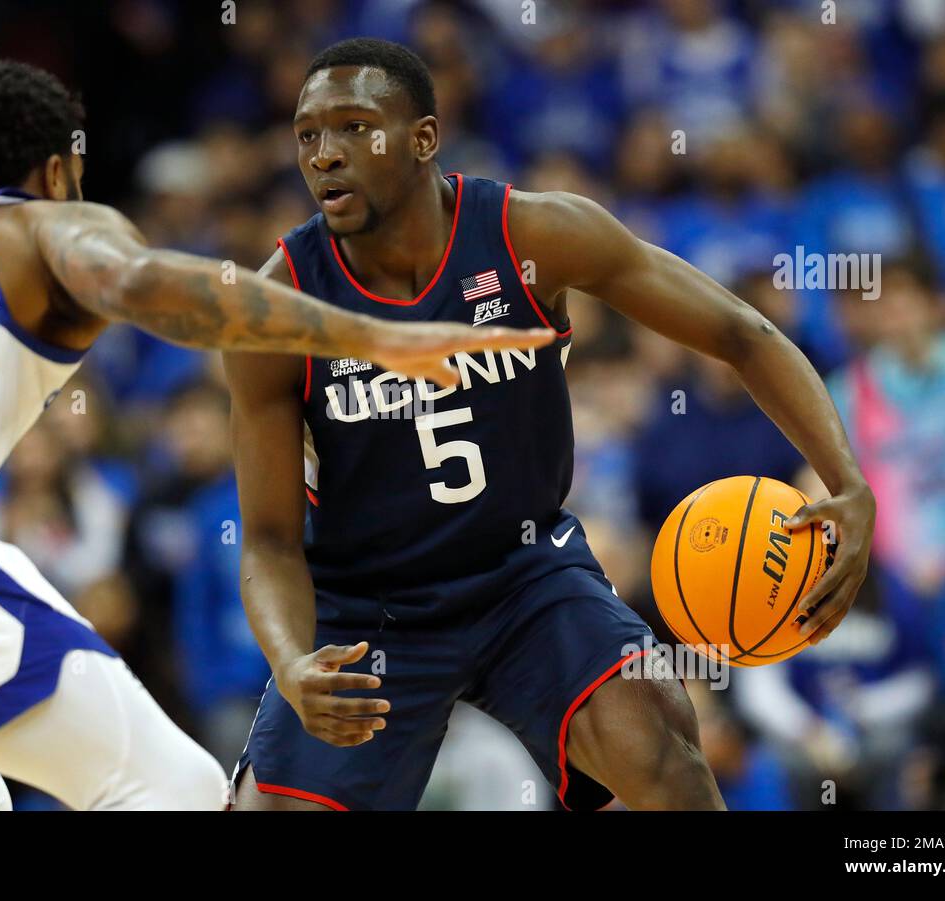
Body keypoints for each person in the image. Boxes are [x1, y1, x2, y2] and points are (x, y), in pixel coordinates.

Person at [0, 58, 550, 812]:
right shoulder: (27, 226)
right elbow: (139, 280)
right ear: (57, 174)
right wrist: (369, 335)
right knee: (181, 788)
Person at [225, 38, 876, 812]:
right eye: (308, 135)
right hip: (369, 606)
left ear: (424, 138)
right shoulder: (276, 310)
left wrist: (847, 481)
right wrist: (294, 661)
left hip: (523, 572)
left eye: (354, 127)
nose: (325, 155)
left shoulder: (531, 238)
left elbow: (742, 333)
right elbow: (267, 537)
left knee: (659, 740)